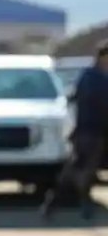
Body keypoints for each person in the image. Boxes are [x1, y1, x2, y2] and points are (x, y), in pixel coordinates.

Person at [41, 42, 108, 220]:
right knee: (81, 169)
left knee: (79, 169)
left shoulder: (92, 76)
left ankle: (58, 203)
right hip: (91, 131)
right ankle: (79, 202)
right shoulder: (95, 78)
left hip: (91, 131)